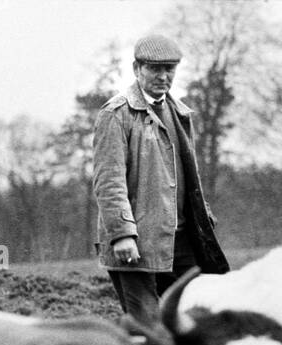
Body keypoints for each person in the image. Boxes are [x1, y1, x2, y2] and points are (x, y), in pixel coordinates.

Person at [92, 32, 229, 326]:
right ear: (136, 69)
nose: (163, 76)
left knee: (195, 318)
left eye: (169, 69)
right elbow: (109, 181)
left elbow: (182, 172)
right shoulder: (116, 114)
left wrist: (201, 211)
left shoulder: (179, 112)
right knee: (149, 327)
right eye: (155, 68)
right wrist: (122, 234)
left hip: (180, 238)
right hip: (136, 242)